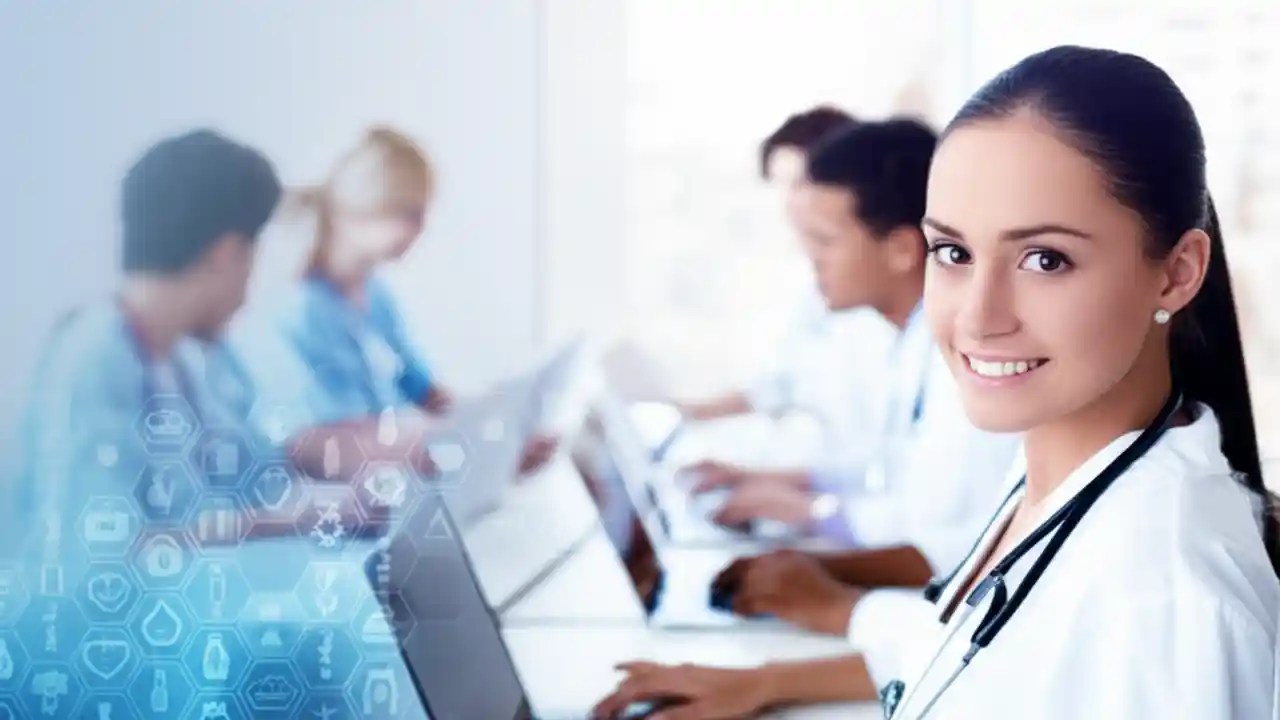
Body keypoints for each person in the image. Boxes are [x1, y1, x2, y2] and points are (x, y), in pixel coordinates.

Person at [594, 46, 1280, 720]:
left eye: (1044, 259)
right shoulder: (1066, 474)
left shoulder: (1163, 600)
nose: (978, 318)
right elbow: (977, 647)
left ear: (1177, 272)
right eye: (953, 252)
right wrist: (765, 681)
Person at [686, 120, 1018, 560]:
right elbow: (890, 471)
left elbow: (937, 528)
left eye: (825, 241)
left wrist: (813, 511)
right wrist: (794, 485)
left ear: (902, 249)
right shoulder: (908, 341)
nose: (811, 260)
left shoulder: (966, 358)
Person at [13, 129, 294, 568]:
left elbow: (245, 470)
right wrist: (279, 522)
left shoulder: (178, 359)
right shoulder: (93, 355)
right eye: (253, 257)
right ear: (226, 253)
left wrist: (314, 506)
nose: (249, 290)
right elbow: (97, 550)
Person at [236, 127, 555, 482]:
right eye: (409, 213)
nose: (420, 228)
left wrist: (502, 431)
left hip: (399, 480)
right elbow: (320, 449)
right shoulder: (298, 310)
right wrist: (463, 447)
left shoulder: (376, 297)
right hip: (340, 499)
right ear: (361, 208)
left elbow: (428, 394)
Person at [675, 106, 893, 440]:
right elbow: (780, 383)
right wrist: (683, 412)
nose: (789, 204)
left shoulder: (876, 296)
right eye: (781, 187)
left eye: (798, 184)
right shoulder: (820, 287)